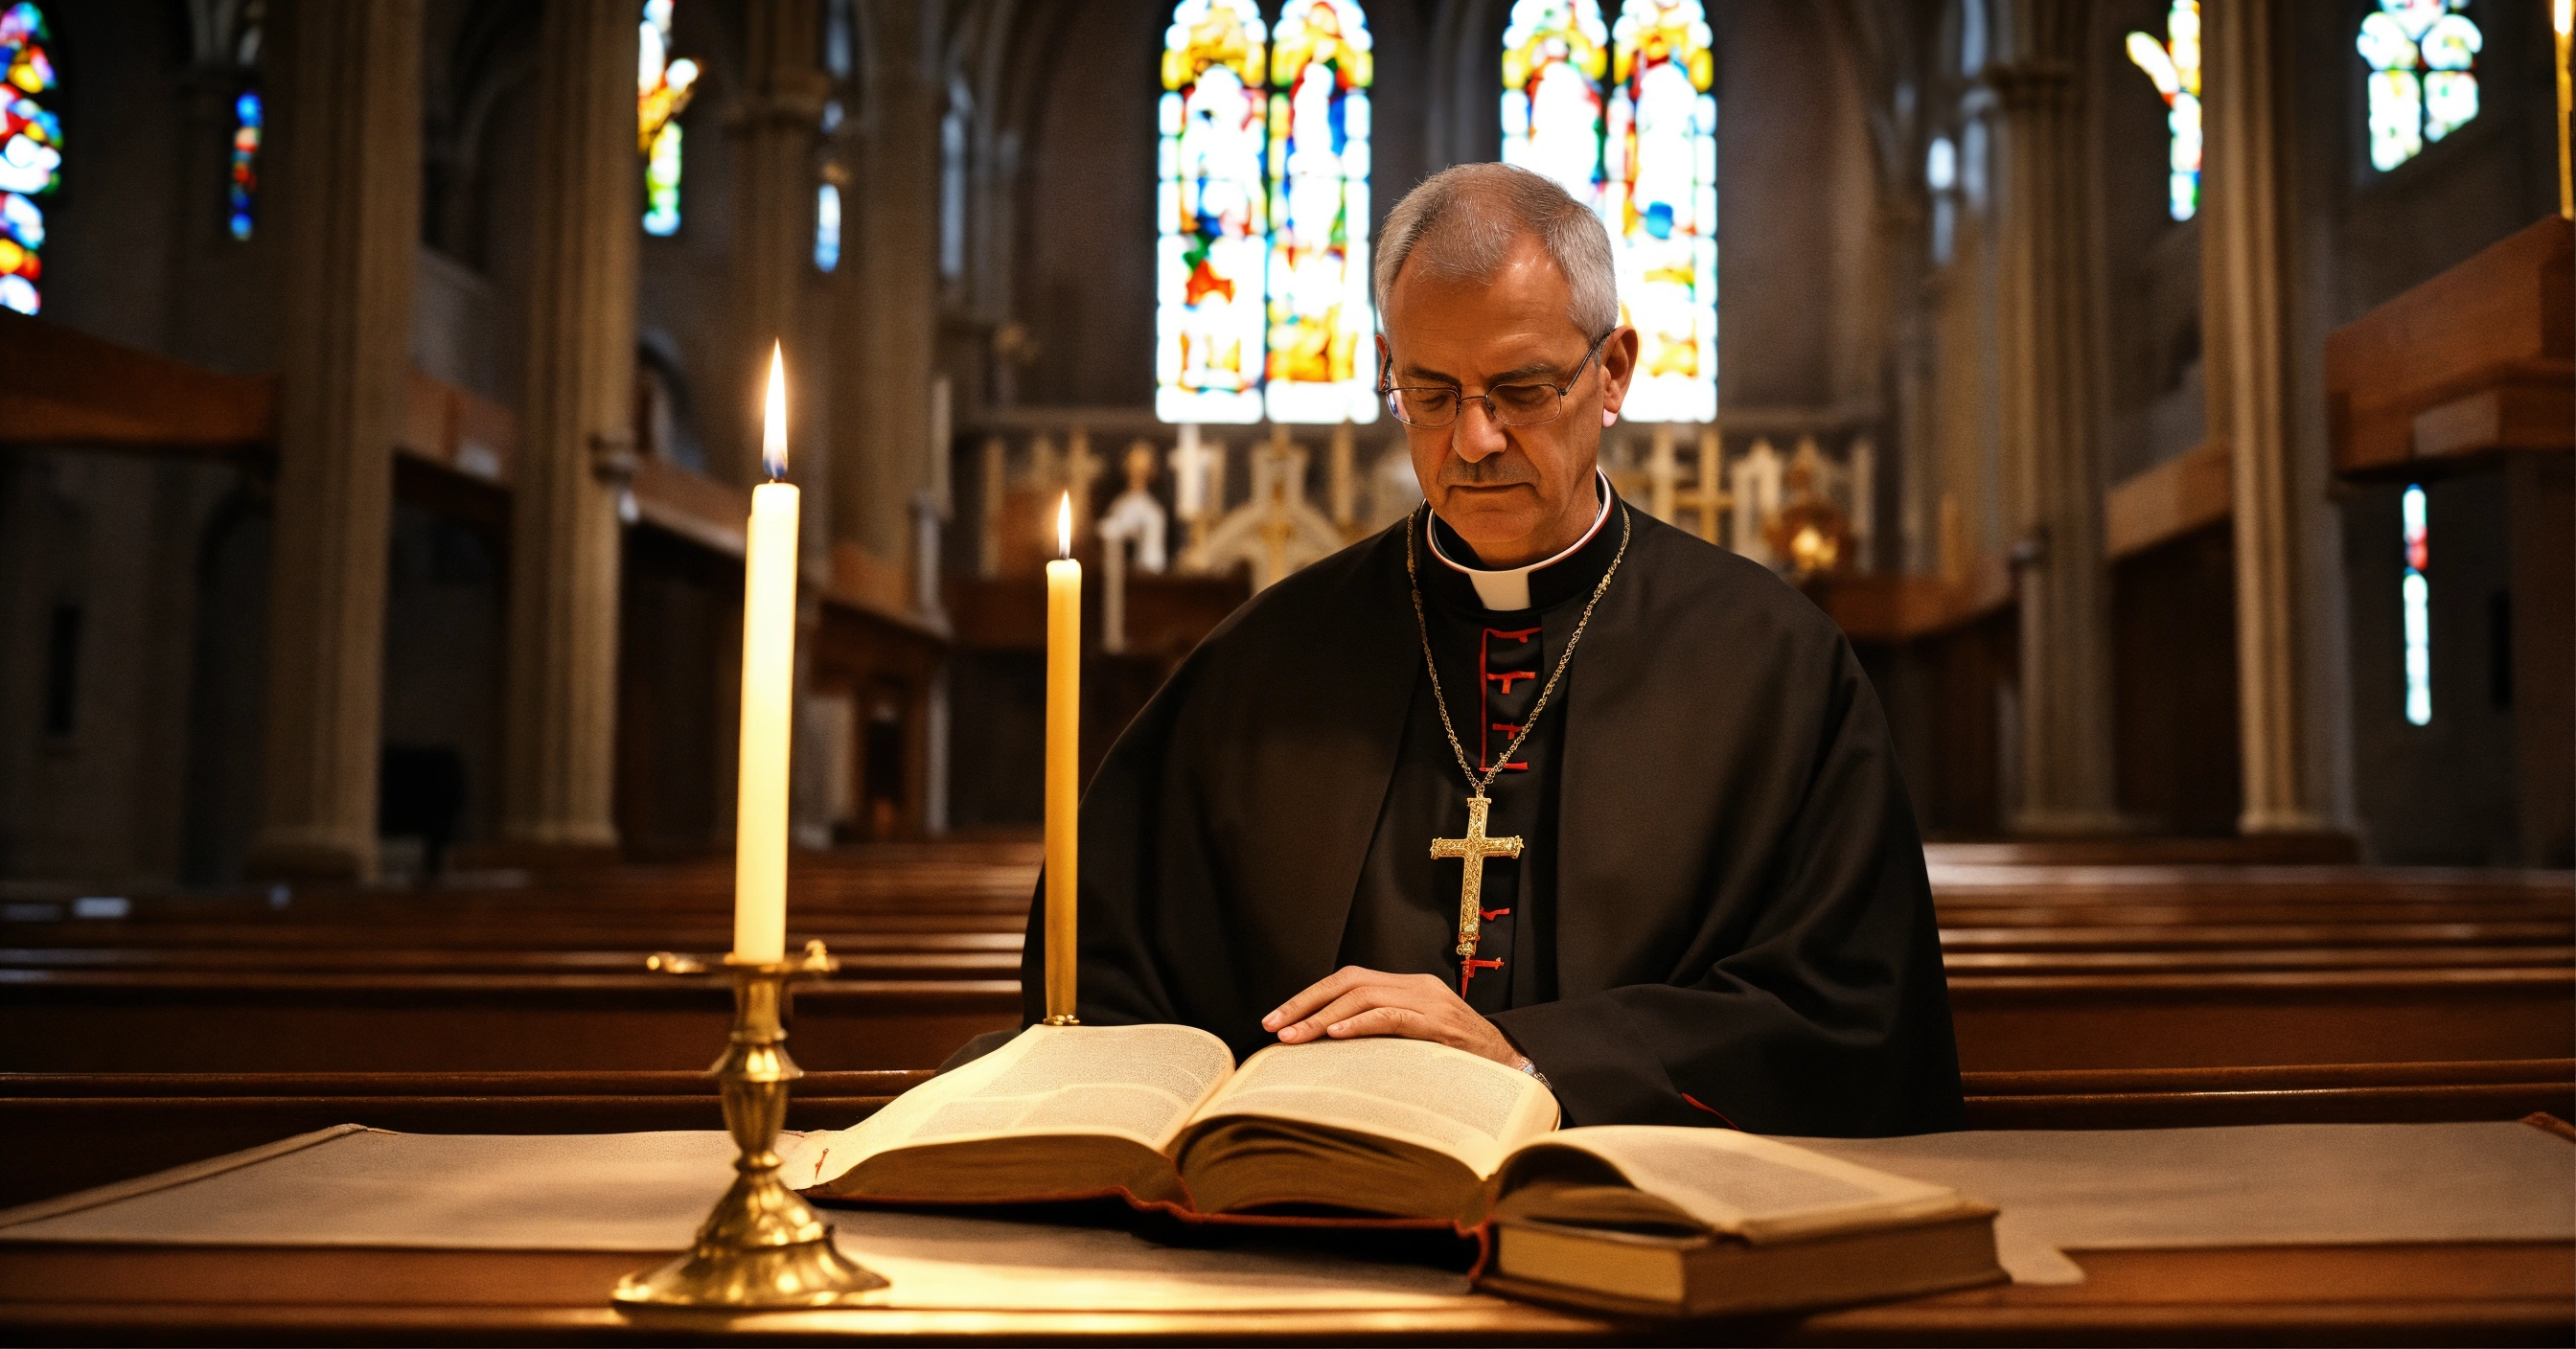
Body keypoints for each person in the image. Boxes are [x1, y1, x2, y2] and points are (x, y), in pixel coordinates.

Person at [992, 162, 1960, 1135]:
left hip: (1639, 1227)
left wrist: (1531, 1054)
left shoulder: (1775, 668)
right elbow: (1098, 989)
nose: (1474, 439)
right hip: (1316, 1232)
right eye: (1431, 392)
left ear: (1613, 370)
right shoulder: (1261, 668)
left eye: (1521, 390)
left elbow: (1853, 1021)